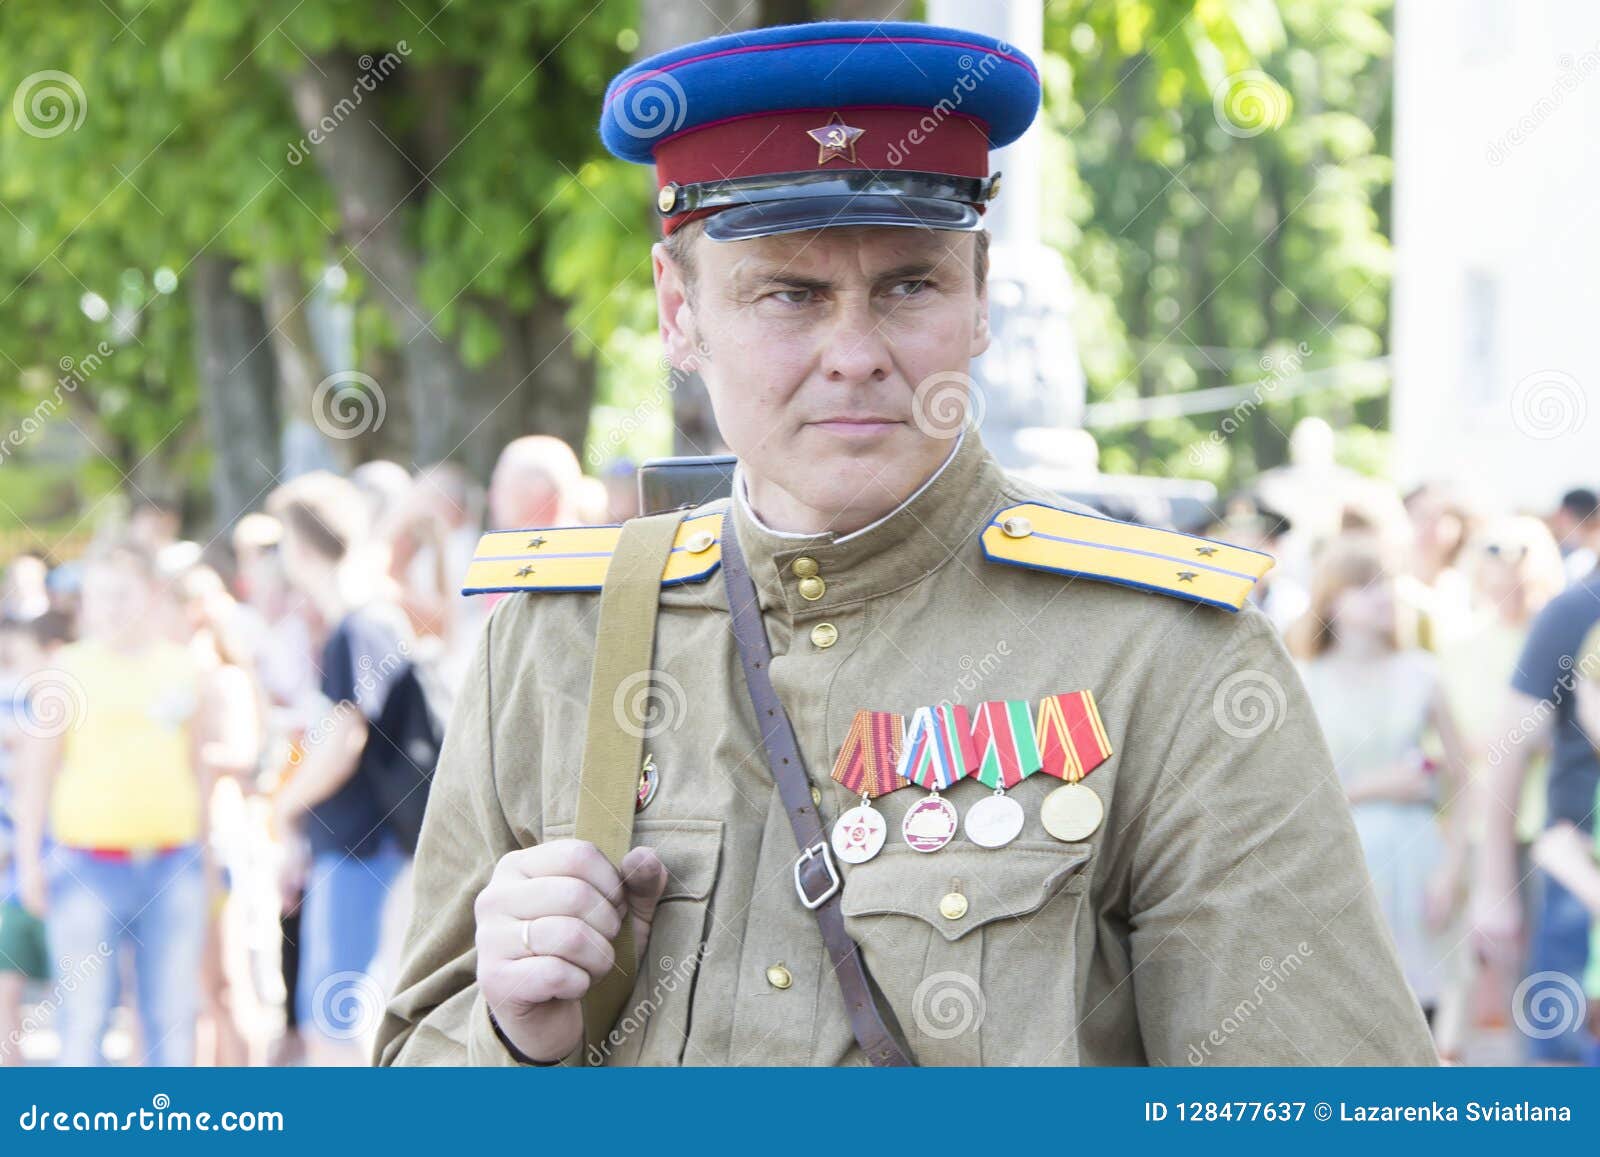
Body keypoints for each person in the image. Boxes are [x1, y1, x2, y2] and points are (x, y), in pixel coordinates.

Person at [377, 20, 1436, 1068]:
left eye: (908, 285)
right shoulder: (559, 642)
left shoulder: (1162, 655)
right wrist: (511, 1038)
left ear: (977, 296)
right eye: (790, 292)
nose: (854, 353)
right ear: (676, 309)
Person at [12, 540, 219, 1066]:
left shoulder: (183, 669)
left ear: (149, 594)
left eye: (123, 594)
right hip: (86, 869)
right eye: (100, 596)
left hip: (172, 865)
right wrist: (29, 862)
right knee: (83, 1022)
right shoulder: (64, 672)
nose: (111, 607)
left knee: (170, 1020)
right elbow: (34, 776)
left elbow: (199, 773)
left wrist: (209, 860)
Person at [268, 472, 438, 1064]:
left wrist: (283, 805)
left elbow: (345, 736)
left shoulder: (357, 624)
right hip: (371, 841)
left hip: (360, 843)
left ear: (299, 545)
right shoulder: (375, 617)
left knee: (334, 1014)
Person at [1289, 535, 1470, 1035]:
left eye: (1387, 584)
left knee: (1418, 1012)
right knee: (1343, 1018)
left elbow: (1466, 781)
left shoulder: (1422, 674)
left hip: (1417, 863)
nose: (1384, 596)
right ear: (1333, 600)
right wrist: (1372, 786)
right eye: (1366, 586)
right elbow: (1287, 793)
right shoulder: (1303, 680)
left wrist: (1452, 869)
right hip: (1337, 865)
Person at [1472, 503, 1600, 1062]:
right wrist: (1493, 885)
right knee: (1562, 1064)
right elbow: (1507, 751)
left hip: (1575, 868)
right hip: (1577, 874)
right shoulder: (1574, 613)